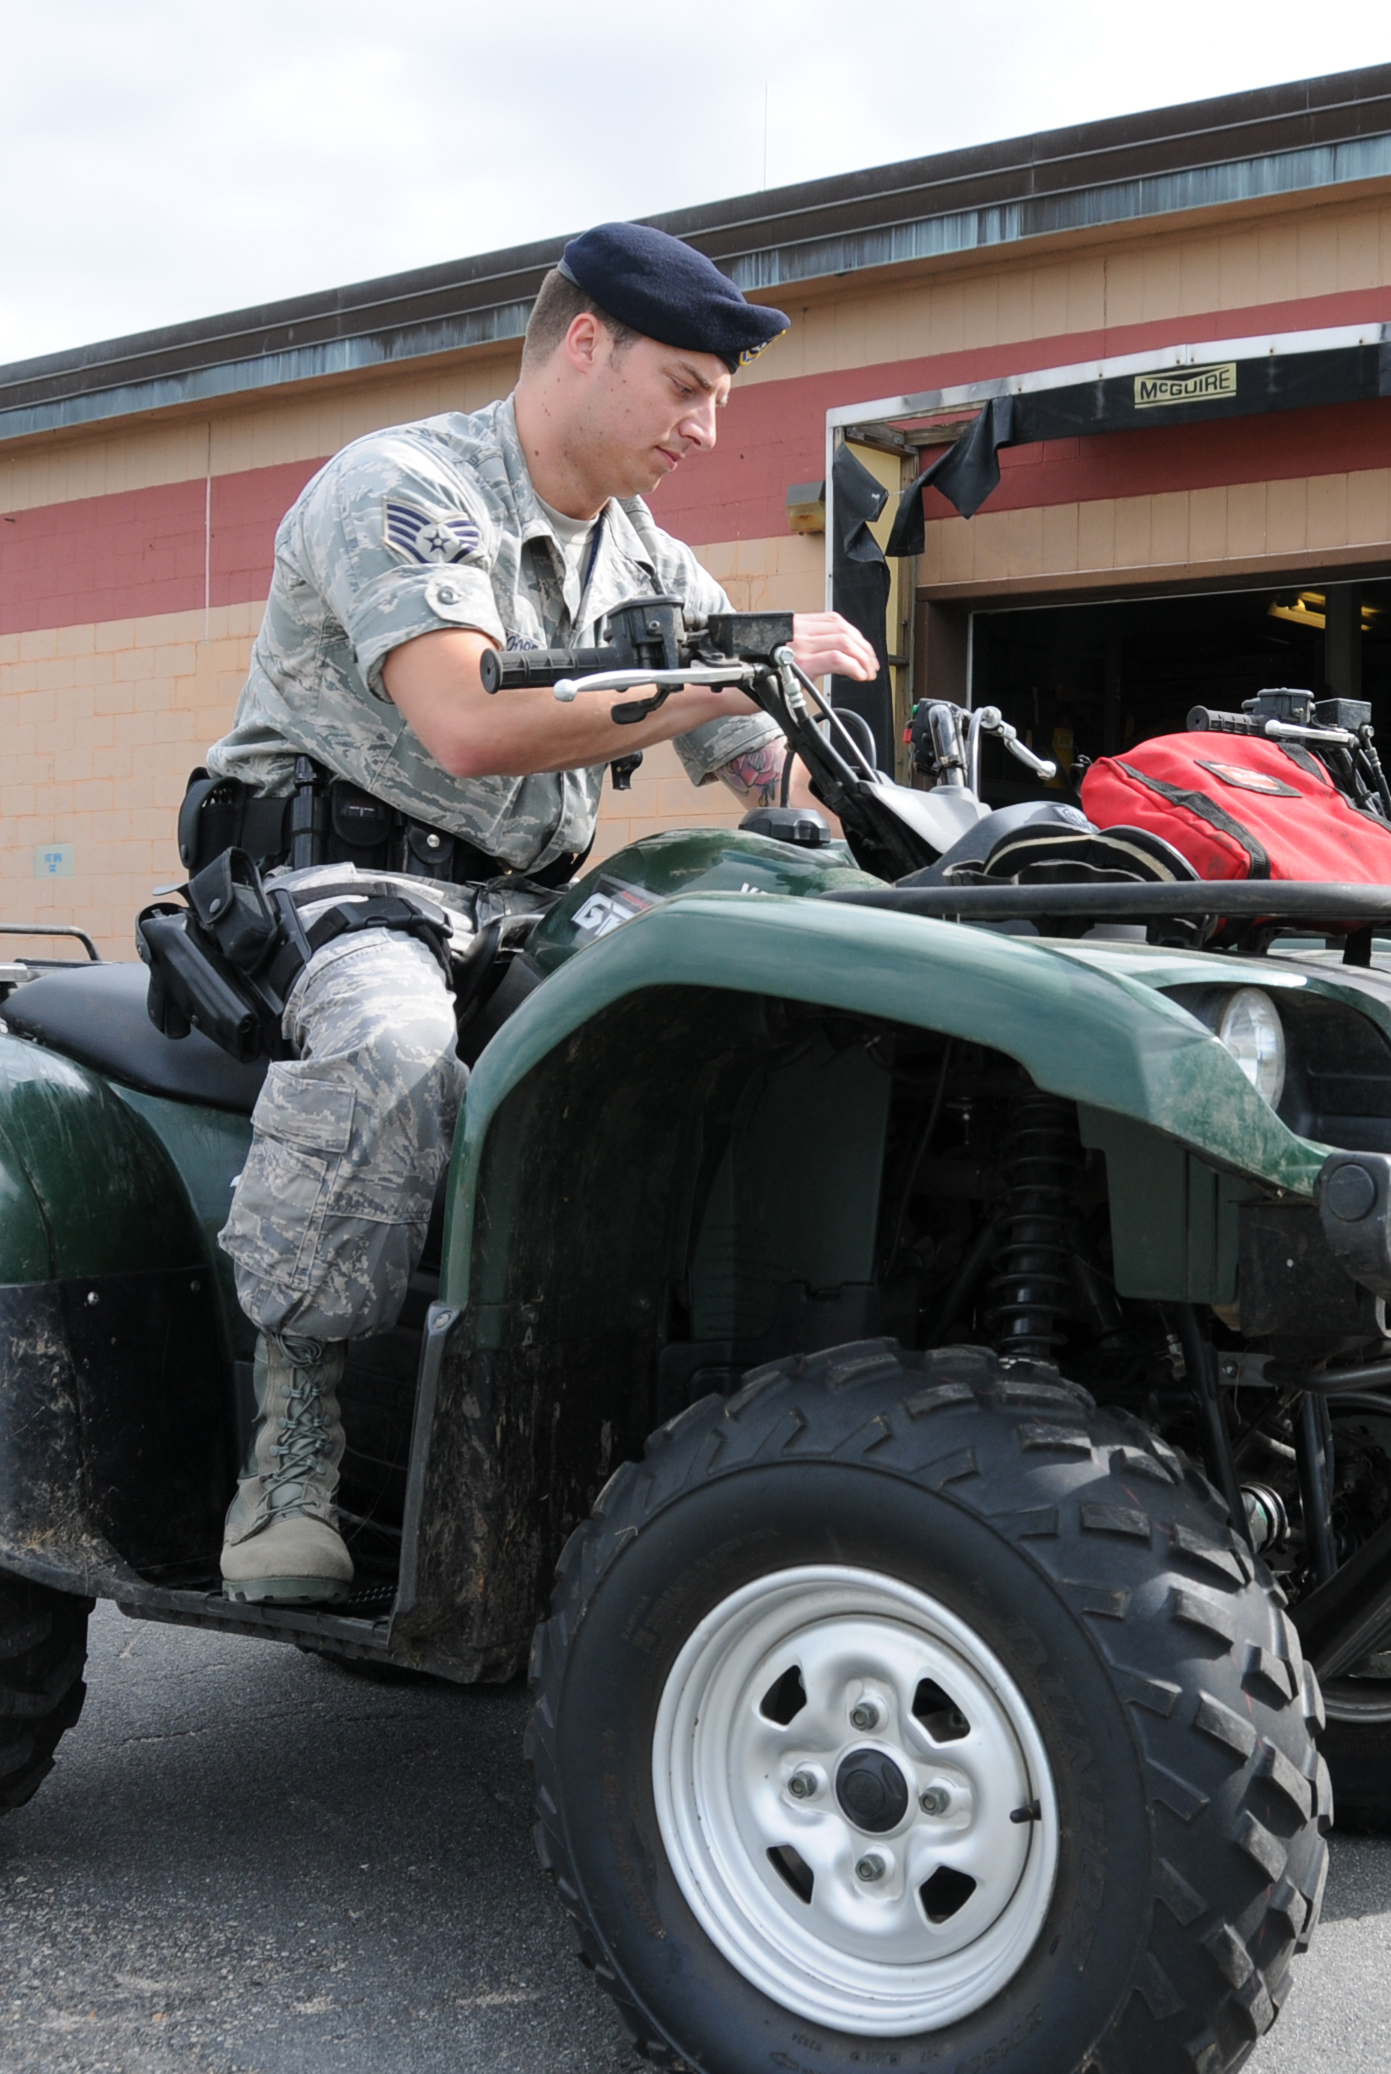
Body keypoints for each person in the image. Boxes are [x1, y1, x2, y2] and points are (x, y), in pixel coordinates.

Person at [197, 222, 878, 1602]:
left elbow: (768, 768)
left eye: (718, 402)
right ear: (586, 344)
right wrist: (744, 679)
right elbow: (464, 722)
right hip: (340, 889)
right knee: (391, 1049)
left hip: (519, 908)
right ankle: (291, 1459)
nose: (704, 426)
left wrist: (911, 828)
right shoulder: (403, 489)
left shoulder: (657, 569)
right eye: (685, 386)